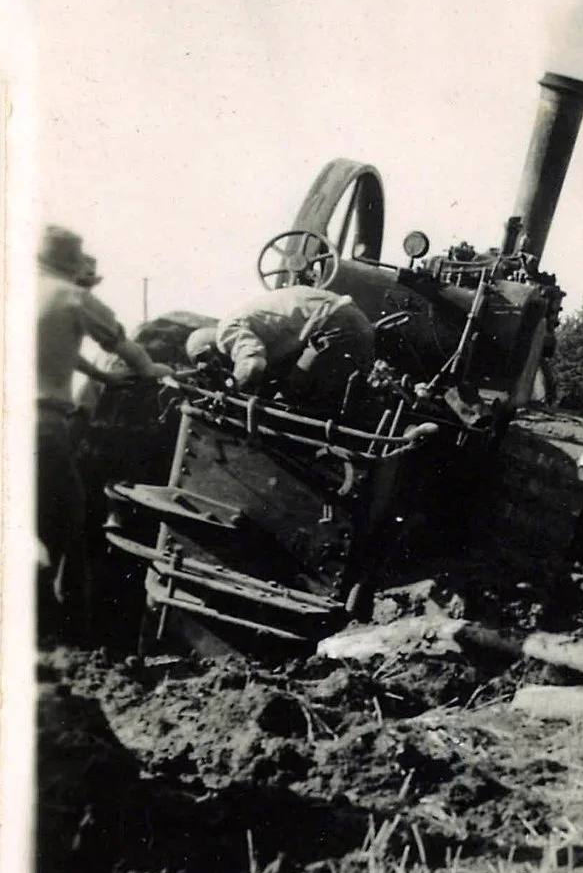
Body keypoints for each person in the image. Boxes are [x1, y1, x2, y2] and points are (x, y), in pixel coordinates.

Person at [36, 225, 171, 642]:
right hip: (44, 425)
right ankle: (62, 641)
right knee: (67, 526)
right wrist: (151, 370)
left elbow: (50, 349)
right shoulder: (74, 297)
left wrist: (98, 376)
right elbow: (125, 348)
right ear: (75, 267)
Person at [187, 284, 375, 411]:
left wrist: (227, 393)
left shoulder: (224, 333)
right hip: (357, 324)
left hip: (333, 324)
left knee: (283, 405)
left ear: (210, 353)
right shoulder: (251, 318)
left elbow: (252, 365)